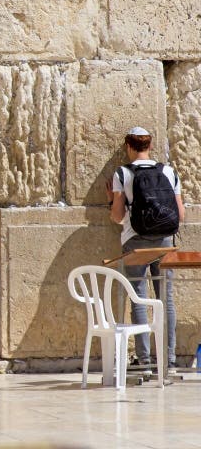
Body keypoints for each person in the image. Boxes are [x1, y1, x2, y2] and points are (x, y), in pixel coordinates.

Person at [107, 126, 185, 374]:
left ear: (129, 147)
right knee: (166, 299)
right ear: (149, 146)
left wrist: (112, 200)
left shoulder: (123, 173)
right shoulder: (169, 172)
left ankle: (145, 361)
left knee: (139, 298)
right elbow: (180, 215)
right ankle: (169, 360)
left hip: (136, 241)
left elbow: (118, 217)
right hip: (165, 242)